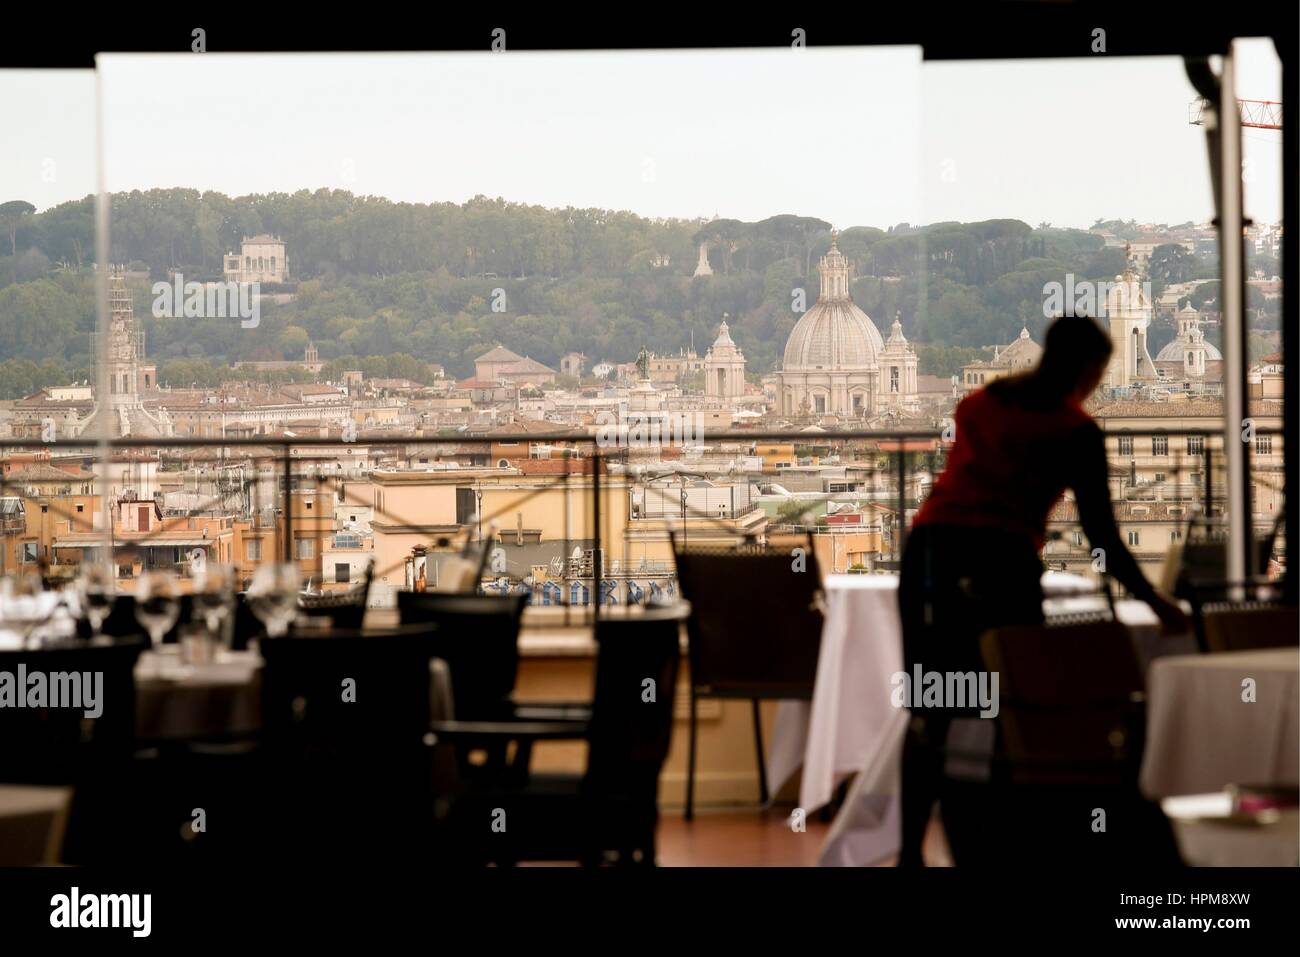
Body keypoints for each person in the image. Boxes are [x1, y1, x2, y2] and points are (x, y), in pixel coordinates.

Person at [896, 314, 1190, 866]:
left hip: (930, 551)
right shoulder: (1075, 431)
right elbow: (1102, 535)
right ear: (1090, 369)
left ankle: (912, 852)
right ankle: (1006, 845)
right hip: (999, 561)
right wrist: (1157, 602)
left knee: (928, 708)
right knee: (1014, 705)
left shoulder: (980, 404)